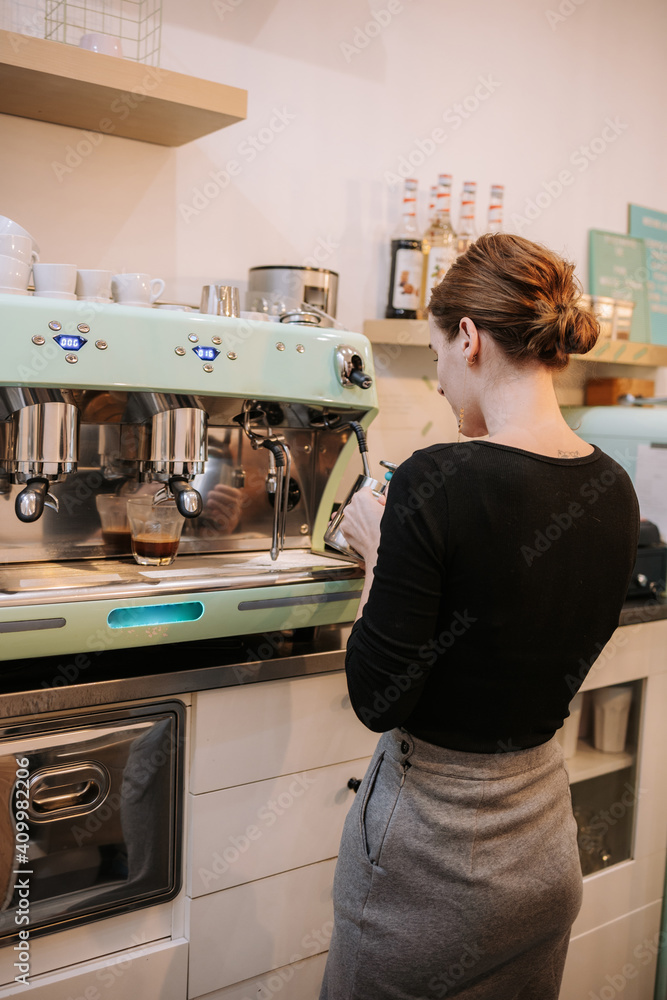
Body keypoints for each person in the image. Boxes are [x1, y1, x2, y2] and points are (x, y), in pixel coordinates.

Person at [319, 233, 640, 1000]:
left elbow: (377, 696)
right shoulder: (613, 487)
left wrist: (374, 547)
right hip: (542, 854)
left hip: (429, 876)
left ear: (467, 339)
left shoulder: (440, 475)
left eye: (435, 358)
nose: (437, 383)